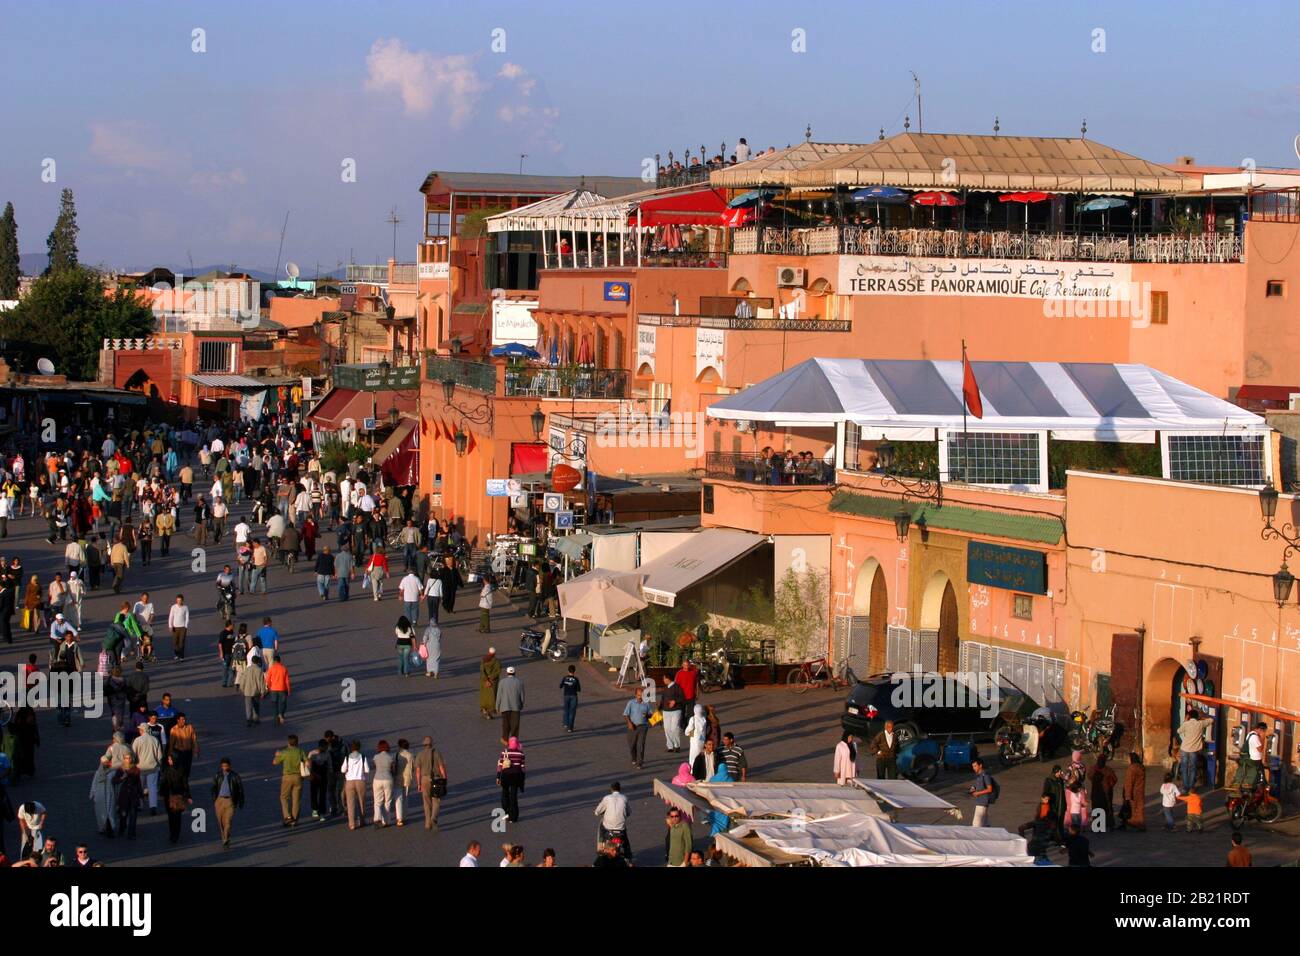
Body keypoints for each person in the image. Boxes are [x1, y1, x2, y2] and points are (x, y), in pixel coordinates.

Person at [414, 735, 448, 830]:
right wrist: (444, 778)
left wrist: (419, 784)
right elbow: (441, 767)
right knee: (436, 800)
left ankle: (427, 823)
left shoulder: (420, 754)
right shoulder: (436, 753)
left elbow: (417, 771)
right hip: (436, 779)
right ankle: (434, 817)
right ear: (431, 744)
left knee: (426, 802)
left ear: (424, 744)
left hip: (424, 779)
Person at [273, 734, 306, 827]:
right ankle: (294, 820)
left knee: (284, 797)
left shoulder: (284, 752)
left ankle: (287, 817)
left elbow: (275, 762)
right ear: (297, 742)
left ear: (288, 742)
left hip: (287, 777)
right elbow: (307, 762)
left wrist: (277, 755)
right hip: (298, 777)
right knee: (296, 799)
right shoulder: (300, 751)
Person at [211, 757, 245, 848]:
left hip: (230, 801)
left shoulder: (235, 776)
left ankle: (226, 839)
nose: (224, 768)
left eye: (226, 766)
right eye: (223, 766)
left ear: (229, 766)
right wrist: (215, 799)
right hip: (219, 801)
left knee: (228, 822)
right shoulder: (218, 775)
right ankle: (224, 838)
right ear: (221, 766)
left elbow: (240, 789)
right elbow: (214, 787)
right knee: (221, 822)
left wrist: (241, 801)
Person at [158, 752, 191, 844]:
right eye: (168, 759)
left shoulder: (181, 771)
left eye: (170, 759)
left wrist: (188, 795)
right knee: (171, 816)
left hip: (178, 796)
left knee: (177, 816)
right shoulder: (167, 770)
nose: (169, 761)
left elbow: (185, 784)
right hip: (168, 796)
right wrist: (162, 792)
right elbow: (163, 782)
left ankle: (176, 834)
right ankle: (172, 833)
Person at [594, 781, 631, 860]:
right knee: (625, 838)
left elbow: (597, 812)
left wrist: (598, 812)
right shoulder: (624, 798)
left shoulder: (607, 798)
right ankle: (628, 856)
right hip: (620, 829)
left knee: (601, 826)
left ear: (611, 790)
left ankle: (600, 849)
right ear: (620, 789)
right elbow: (629, 812)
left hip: (608, 828)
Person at [114, 754, 144, 840]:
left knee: (133, 815)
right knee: (123, 814)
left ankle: (131, 833)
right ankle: (122, 828)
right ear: (124, 759)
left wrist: (141, 796)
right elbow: (114, 780)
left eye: (129, 758)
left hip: (133, 795)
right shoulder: (121, 769)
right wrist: (122, 778)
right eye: (126, 758)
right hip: (124, 796)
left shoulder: (136, 769)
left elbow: (138, 783)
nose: (128, 760)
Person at [624, 685, 653, 769]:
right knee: (632, 745)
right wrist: (629, 723)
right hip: (632, 727)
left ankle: (639, 763)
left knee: (641, 745)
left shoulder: (646, 704)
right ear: (635, 695)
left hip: (643, 727)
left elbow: (650, 714)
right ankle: (634, 757)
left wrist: (647, 715)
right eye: (639, 695)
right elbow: (625, 714)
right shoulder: (631, 703)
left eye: (642, 695)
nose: (640, 697)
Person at [342, 740, 369, 830]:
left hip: (349, 781)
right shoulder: (363, 757)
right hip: (360, 780)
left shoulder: (347, 757)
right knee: (362, 802)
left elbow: (343, 770)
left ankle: (352, 824)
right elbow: (367, 770)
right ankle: (362, 821)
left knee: (350, 803)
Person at [497, 736, 525, 823]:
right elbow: (523, 768)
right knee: (514, 797)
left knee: (505, 794)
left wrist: (498, 777)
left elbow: (500, 766)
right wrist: (523, 780)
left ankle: (506, 812)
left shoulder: (504, 752)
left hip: (505, 777)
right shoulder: (521, 754)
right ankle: (513, 817)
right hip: (516, 778)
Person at [89, 755, 117, 838]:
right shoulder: (98, 773)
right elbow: (94, 784)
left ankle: (110, 828)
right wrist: (92, 793)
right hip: (100, 795)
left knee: (110, 812)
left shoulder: (112, 772)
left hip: (109, 794)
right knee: (101, 812)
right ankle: (102, 827)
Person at [496, 666, 525, 743]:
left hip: (504, 707)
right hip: (516, 707)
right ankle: (514, 739)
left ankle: (505, 738)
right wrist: (521, 705)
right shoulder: (519, 682)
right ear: (514, 672)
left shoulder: (502, 682)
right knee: (515, 724)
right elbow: (522, 696)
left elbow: (499, 695)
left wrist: (497, 706)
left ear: (507, 673)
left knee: (505, 723)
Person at [1089, 754, 1117, 831]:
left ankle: (1097, 825)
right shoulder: (1108, 770)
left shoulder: (1093, 769)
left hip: (1096, 792)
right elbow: (1114, 779)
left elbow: (1090, 777)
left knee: (1096, 808)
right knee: (1107, 808)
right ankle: (1109, 824)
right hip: (1106, 792)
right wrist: (1109, 785)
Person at [1119, 751, 1146, 832]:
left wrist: (1127, 796)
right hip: (1140, 791)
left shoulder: (1132, 768)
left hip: (1133, 792)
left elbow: (1129, 783)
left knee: (1132, 808)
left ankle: (1135, 823)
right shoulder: (1141, 767)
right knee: (1139, 808)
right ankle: (1140, 823)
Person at [238, 650, 266, 726]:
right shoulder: (259, 670)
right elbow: (261, 682)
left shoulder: (247, 669)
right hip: (256, 691)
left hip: (247, 691)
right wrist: (263, 691)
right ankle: (256, 718)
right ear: (257, 662)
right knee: (256, 705)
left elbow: (243, 679)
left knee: (248, 706)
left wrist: (241, 688)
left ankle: (248, 719)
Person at [371, 740, 396, 827]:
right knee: (388, 801)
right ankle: (386, 821)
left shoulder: (375, 757)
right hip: (388, 779)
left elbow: (374, 766)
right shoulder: (390, 757)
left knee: (377, 801)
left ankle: (377, 818)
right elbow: (393, 769)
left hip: (377, 780)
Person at [168, 712, 198, 781]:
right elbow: (171, 744)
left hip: (188, 752)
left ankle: (185, 783)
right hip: (179, 753)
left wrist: (196, 750)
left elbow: (194, 739)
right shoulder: (174, 729)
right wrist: (169, 756)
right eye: (182, 719)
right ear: (178, 720)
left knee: (187, 769)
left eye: (184, 719)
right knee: (180, 770)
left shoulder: (189, 727)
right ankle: (181, 785)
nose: (184, 721)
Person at [660, 674, 685, 752]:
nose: (663, 680)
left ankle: (677, 746)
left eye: (664, 678)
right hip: (665, 711)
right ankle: (670, 746)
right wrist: (659, 708)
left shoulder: (677, 687)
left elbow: (682, 697)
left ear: (668, 678)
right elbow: (663, 699)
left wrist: (675, 701)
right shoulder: (665, 688)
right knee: (667, 728)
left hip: (676, 710)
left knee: (674, 728)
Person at [969, 758, 994, 827]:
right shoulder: (978, 775)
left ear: (980, 765)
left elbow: (990, 789)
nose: (974, 768)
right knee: (986, 825)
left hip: (982, 803)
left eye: (975, 766)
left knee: (976, 825)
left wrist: (977, 793)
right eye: (973, 766)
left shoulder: (985, 775)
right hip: (979, 801)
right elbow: (980, 786)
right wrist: (973, 788)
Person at [393, 738, 413, 827]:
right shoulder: (410, 755)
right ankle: (404, 816)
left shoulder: (396, 755)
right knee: (405, 798)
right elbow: (413, 767)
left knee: (398, 799)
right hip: (407, 778)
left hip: (398, 778)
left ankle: (399, 818)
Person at [266, 655, 291, 724]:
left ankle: (276, 718)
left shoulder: (271, 668)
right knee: (283, 703)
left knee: (274, 704)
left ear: (274, 661)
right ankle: (281, 714)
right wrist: (288, 690)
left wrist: (269, 687)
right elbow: (287, 681)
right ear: (280, 661)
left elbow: (267, 680)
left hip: (273, 689)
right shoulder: (284, 668)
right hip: (282, 689)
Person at [479, 647, 501, 719]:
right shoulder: (497, 661)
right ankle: (489, 712)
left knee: (484, 696)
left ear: (488, 652)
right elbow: (498, 672)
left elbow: (482, 671)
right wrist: (491, 679)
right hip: (493, 682)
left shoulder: (484, 660)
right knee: (492, 697)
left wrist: (486, 680)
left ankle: (484, 709)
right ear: (494, 653)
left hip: (484, 682)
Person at [167, 594, 189, 660]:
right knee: (175, 642)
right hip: (175, 627)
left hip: (182, 627)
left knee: (181, 642)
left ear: (182, 601)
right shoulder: (173, 607)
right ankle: (176, 653)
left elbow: (187, 617)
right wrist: (170, 626)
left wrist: (186, 626)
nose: (179, 602)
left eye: (180, 600)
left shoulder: (185, 607)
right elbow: (171, 617)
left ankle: (181, 656)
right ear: (176, 601)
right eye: (177, 600)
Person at [560, 664, 581, 732]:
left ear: (568, 670)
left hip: (566, 696)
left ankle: (566, 723)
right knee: (572, 712)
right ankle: (570, 728)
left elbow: (560, 686)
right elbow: (578, 689)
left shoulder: (565, 678)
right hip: (573, 696)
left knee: (566, 710)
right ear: (574, 671)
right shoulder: (575, 679)